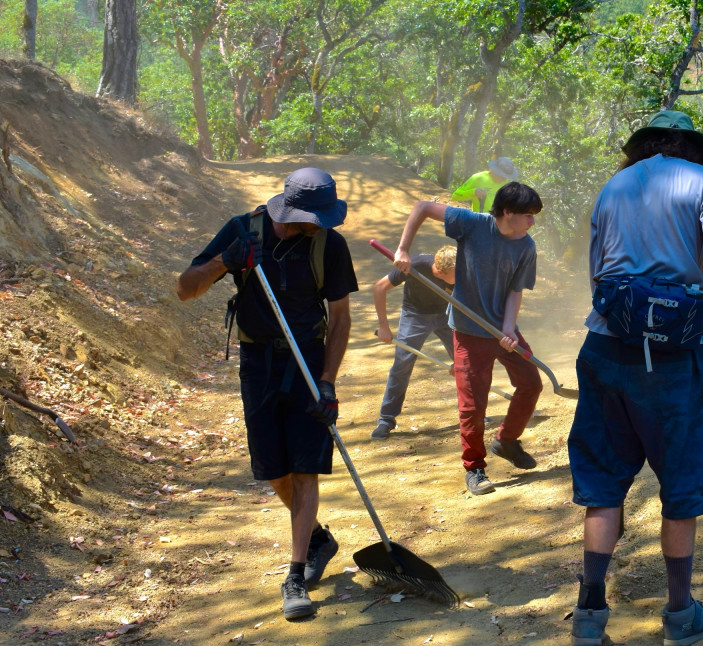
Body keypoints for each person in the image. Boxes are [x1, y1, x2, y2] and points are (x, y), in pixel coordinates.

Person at [567, 110, 703, 646]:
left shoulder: (614, 186)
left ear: (644, 146)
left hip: (606, 346)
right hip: (673, 360)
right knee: (680, 483)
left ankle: (589, 611)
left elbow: (596, 271)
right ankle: (680, 615)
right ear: (694, 149)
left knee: (604, 483)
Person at [175, 167, 357, 621]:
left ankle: (295, 575)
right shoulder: (242, 231)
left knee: (304, 469)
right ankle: (317, 537)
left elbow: (340, 319)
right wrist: (226, 261)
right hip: (258, 363)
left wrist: (329, 382)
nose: (320, 226)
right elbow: (185, 290)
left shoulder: (329, 245)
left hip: (308, 363)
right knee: (274, 471)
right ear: (290, 211)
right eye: (313, 218)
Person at [392, 181, 544, 496]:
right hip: (468, 330)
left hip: (503, 329)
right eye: (527, 215)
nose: (532, 222)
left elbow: (515, 291)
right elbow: (421, 207)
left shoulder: (526, 246)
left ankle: (507, 441)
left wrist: (508, 328)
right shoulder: (473, 224)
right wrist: (403, 249)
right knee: (473, 404)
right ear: (507, 212)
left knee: (531, 382)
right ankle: (474, 468)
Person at [370, 245, 457, 439]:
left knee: (467, 363)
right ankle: (386, 419)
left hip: (447, 314)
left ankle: (475, 412)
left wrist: (460, 359)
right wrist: (384, 326)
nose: (461, 277)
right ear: (441, 272)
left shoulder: (461, 270)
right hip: (415, 315)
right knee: (402, 364)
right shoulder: (415, 266)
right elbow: (379, 287)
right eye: (455, 275)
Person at [450, 156, 519, 213]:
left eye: (506, 177)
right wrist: (473, 192)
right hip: (480, 221)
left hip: (499, 223)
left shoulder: (507, 183)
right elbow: (455, 196)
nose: (504, 179)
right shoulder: (478, 178)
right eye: (502, 176)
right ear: (494, 171)